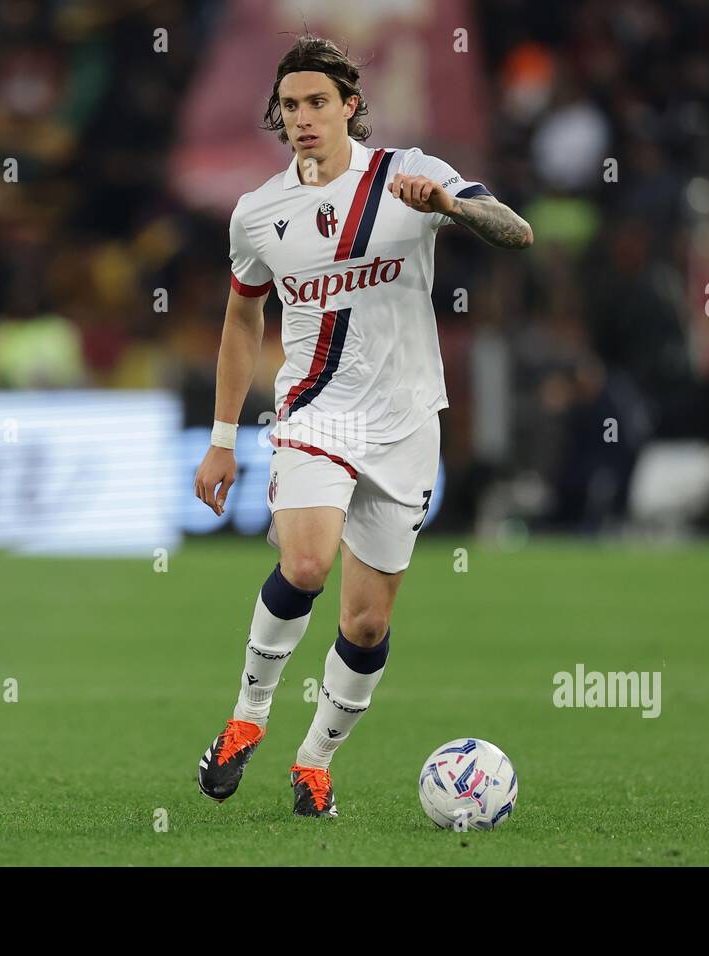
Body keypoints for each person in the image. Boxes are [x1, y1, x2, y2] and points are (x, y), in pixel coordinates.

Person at [193, 35, 533, 817]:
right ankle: (247, 719)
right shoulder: (257, 214)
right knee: (306, 564)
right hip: (316, 412)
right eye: (290, 106)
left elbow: (517, 232)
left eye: (318, 102)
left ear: (350, 105)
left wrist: (451, 207)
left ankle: (315, 761)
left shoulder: (411, 175)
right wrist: (221, 438)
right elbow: (242, 325)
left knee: (368, 622)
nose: (304, 118)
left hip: (408, 424)